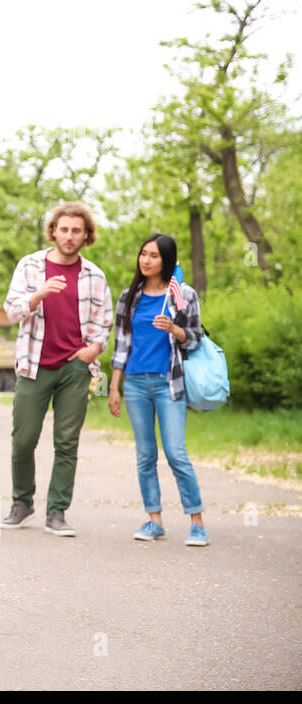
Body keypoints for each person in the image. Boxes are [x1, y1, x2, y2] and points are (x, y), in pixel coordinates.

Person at [1, 201, 113, 537]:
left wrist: (91, 350)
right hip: (34, 365)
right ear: (54, 231)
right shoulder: (30, 266)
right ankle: (22, 502)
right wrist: (38, 295)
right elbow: (11, 311)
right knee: (23, 440)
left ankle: (57, 511)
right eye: (63, 229)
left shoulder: (94, 275)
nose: (69, 236)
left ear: (86, 235)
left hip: (74, 369)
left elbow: (103, 322)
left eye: (76, 231)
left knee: (66, 443)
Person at [107, 234, 208, 546]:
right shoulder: (129, 296)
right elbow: (122, 342)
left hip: (168, 383)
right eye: (143, 254)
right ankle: (154, 520)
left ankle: (197, 523)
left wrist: (175, 329)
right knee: (145, 455)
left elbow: (195, 338)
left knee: (176, 453)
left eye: (153, 255)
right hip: (136, 384)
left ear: (167, 260)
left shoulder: (183, 294)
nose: (146, 260)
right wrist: (114, 385)